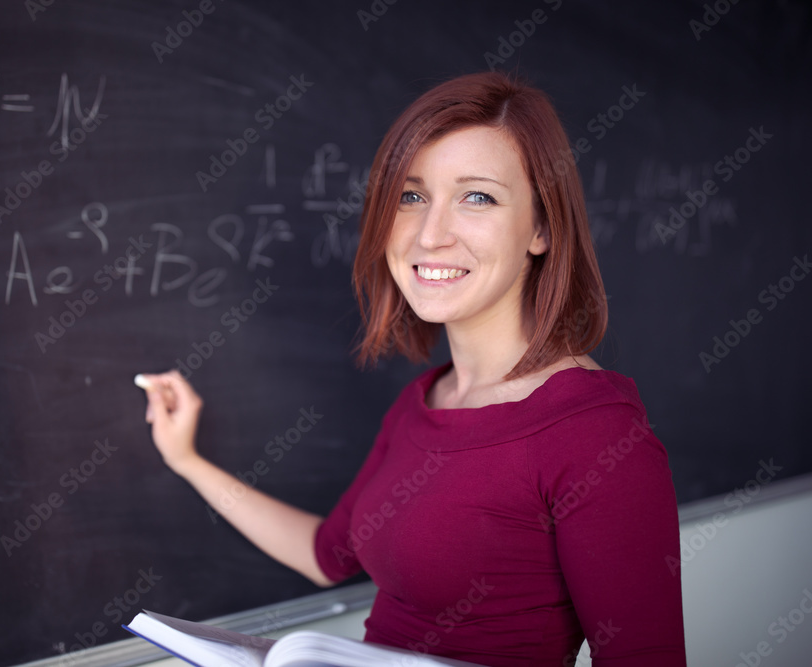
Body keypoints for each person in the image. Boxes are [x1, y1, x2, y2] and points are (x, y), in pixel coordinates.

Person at [137, 72, 687, 666]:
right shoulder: (424, 402)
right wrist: (187, 461)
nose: (430, 234)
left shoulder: (597, 434)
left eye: (477, 197)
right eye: (411, 195)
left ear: (541, 228)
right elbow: (328, 554)